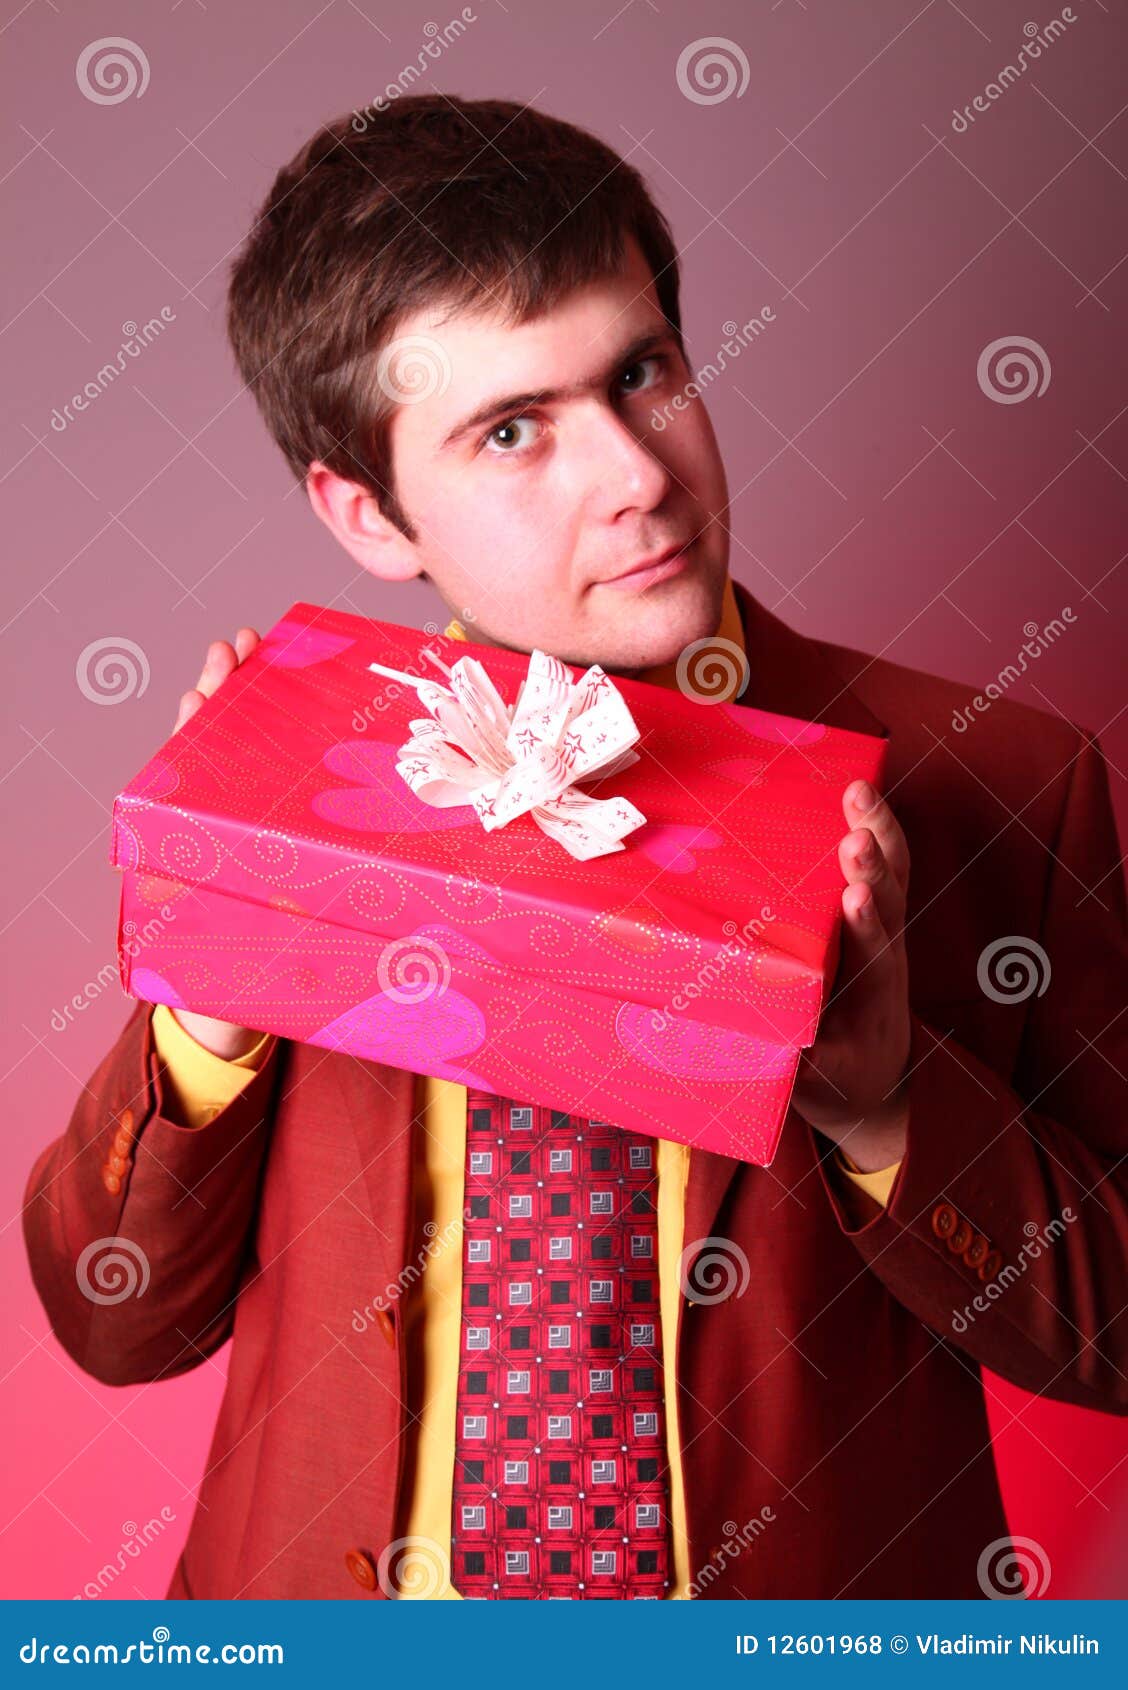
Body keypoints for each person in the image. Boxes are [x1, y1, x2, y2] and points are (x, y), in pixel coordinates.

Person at [23, 95, 1128, 1602]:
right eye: (513, 429)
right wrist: (213, 986)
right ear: (367, 514)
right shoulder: (304, 788)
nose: (636, 474)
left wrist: (892, 1108)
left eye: (643, 371)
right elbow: (116, 1320)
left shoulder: (1001, 781)